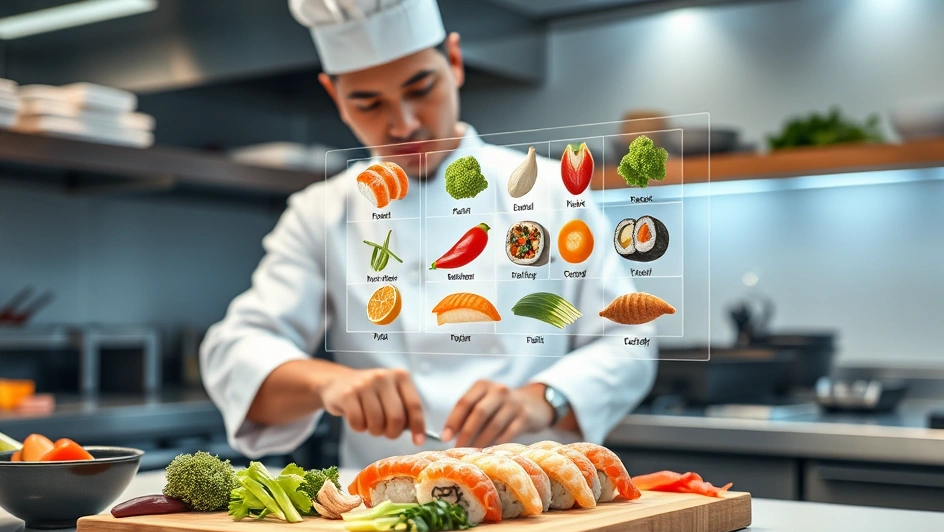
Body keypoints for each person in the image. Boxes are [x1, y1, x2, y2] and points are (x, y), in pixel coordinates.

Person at [200, 0, 657, 468]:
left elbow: (629, 340)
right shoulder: (322, 211)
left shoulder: (553, 191)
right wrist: (328, 383)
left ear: (454, 62)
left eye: (421, 88)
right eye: (368, 103)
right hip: (381, 506)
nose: (404, 124)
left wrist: (546, 397)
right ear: (335, 98)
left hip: (536, 499)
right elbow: (235, 349)